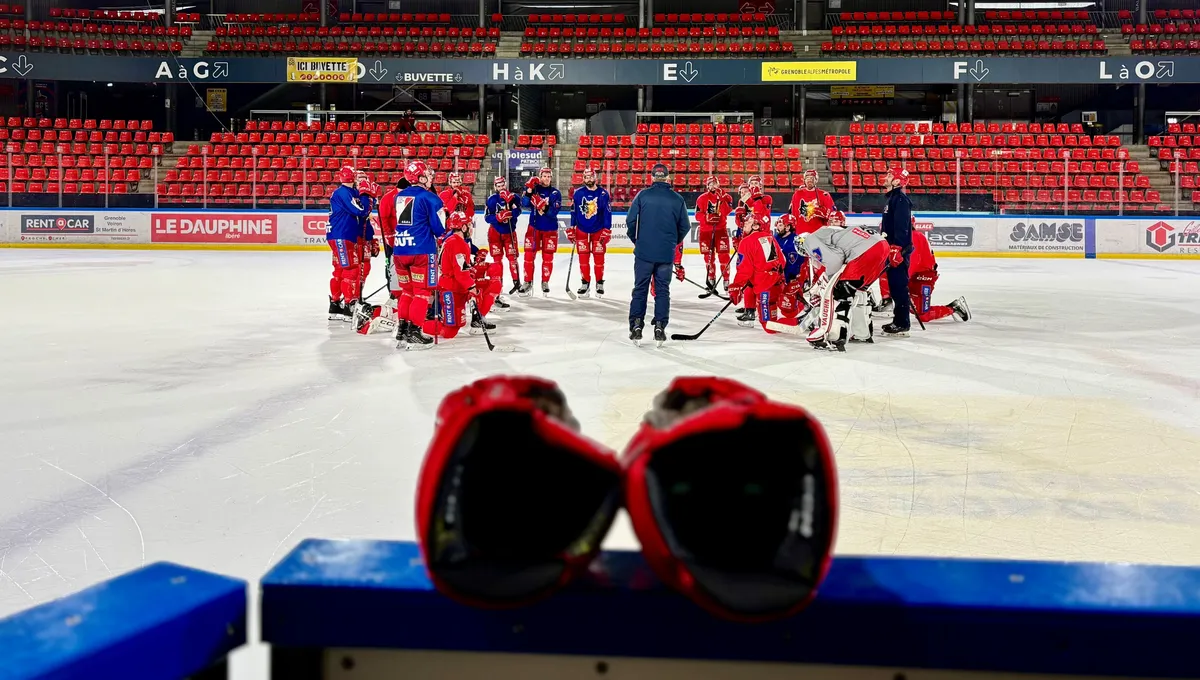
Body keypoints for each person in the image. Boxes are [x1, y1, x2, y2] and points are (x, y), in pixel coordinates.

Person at [626, 163, 691, 346]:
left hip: (644, 253)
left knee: (640, 289)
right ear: (668, 178)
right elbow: (684, 227)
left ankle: (636, 325)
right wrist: (671, 243)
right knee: (662, 291)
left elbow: (630, 221)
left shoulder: (643, 195)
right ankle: (660, 327)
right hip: (665, 254)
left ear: (653, 177)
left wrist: (637, 241)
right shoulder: (677, 199)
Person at [800, 218, 889, 351]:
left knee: (837, 292)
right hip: (882, 248)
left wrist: (829, 282)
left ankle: (831, 335)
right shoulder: (829, 233)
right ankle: (862, 333)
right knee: (859, 290)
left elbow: (835, 261)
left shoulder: (809, 241)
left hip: (865, 251)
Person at [391, 159, 447, 349]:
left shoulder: (399, 196)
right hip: (421, 251)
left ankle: (402, 329)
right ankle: (415, 332)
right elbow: (440, 229)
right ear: (420, 177)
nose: (430, 177)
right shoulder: (431, 198)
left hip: (400, 249)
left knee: (407, 292)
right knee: (422, 293)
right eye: (427, 174)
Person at [421, 211, 497, 341]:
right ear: (463, 227)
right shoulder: (457, 243)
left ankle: (478, 319)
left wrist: (472, 274)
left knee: (493, 284)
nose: (471, 228)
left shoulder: (454, 240)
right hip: (451, 289)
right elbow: (460, 272)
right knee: (449, 332)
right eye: (469, 225)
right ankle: (416, 326)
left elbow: (461, 268)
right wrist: (471, 287)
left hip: (459, 286)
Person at [880, 221, 971, 324]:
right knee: (909, 306)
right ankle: (886, 300)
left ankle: (954, 308)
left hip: (923, 277)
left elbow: (913, 263)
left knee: (923, 315)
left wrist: (900, 282)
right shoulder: (904, 237)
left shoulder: (914, 237)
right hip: (913, 276)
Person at [327, 165, 369, 321]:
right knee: (351, 270)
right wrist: (366, 194)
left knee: (339, 270)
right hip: (342, 236)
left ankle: (335, 304)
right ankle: (349, 306)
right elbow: (360, 210)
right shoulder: (344, 193)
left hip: (340, 235)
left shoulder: (347, 192)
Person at [728, 212, 784, 332]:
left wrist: (735, 287)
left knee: (768, 326)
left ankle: (798, 321)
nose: (744, 225)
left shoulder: (746, 242)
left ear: (756, 226)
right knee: (750, 284)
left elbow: (744, 270)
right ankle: (750, 313)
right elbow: (782, 261)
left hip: (764, 287)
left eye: (747, 223)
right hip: (777, 284)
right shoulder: (770, 237)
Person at [880, 166, 914, 337]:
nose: (886, 176)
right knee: (894, 286)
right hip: (891, 250)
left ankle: (902, 323)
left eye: (890, 175)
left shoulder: (900, 200)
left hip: (898, 252)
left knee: (899, 287)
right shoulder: (892, 198)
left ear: (897, 181)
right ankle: (898, 320)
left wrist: (897, 248)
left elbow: (902, 228)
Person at [569, 168, 613, 298]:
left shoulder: (603, 194)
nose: (589, 179)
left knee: (599, 259)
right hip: (581, 230)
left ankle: (599, 283)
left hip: (598, 230)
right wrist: (572, 228)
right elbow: (574, 212)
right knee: (583, 259)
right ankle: (585, 283)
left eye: (591, 176)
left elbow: (607, 213)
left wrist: (607, 229)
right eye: (586, 177)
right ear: (583, 179)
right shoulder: (578, 194)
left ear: (595, 178)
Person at [521, 167, 562, 297]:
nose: (547, 179)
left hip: (550, 228)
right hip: (533, 227)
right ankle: (527, 282)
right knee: (528, 256)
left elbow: (553, 213)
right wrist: (528, 190)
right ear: (540, 176)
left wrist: (542, 206)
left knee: (548, 258)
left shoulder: (556, 193)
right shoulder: (534, 189)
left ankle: (545, 282)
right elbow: (524, 203)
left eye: (549, 176)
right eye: (544, 176)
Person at [694, 175, 734, 294]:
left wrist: (721, 200)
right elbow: (697, 215)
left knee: (724, 257)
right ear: (707, 186)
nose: (712, 186)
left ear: (718, 184)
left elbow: (727, 212)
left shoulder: (726, 197)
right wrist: (707, 217)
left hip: (720, 230)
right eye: (710, 184)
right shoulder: (701, 198)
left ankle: (726, 281)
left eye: (714, 183)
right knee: (708, 258)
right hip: (706, 232)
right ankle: (711, 280)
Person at [484, 175, 522, 295]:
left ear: (506, 185)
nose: (501, 188)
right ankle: (498, 284)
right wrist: (498, 217)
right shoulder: (491, 199)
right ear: (495, 186)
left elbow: (519, 211)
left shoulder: (514, 197)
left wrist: (510, 212)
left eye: (502, 185)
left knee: (512, 259)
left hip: (509, 232)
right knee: (497, 260)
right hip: (495, 233)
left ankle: (517, 282)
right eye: (498, 186)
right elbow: (486, 217)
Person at [377, 176, 411, 301]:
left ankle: (405, 289)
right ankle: (392, 289)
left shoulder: (407, 197)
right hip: (394, 239)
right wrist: (389, 236)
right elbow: (383, 218)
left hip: (406, 238)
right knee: (391, 264)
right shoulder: (388, 198)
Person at [788, 169, 835, 235]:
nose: (809, 180)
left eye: (812, 178)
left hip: (818, 233)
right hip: (801, 233)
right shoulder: (797, 194)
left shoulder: (824, 195)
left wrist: (823, 213)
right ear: (804, 180)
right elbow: (793, 214)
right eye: (807, 178)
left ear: (816, 180)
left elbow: (831, 214)